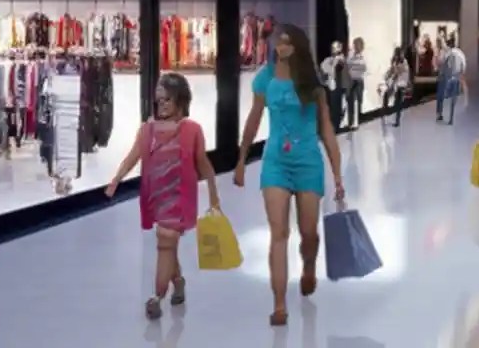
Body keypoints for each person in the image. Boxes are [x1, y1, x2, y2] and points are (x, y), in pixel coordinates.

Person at [234, 24, 345, 326]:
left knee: (308, 232)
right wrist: (242, 160)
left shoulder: (311, 82)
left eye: (285, 42)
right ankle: (279, 305)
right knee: (278, 233)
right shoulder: (265, 78)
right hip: (275, 164)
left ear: (297, 47)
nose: (279, 47)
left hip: (308, 161)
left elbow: (326, 130)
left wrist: (337, 173)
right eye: (277, 42)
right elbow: (254, 120)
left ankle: (309, 265)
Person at [106, 73, 218, 320]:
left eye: (168, 100)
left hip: (180, 200)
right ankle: (178, 281)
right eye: (159, 101)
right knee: (169, 246)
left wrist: (213, 194)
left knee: (165, 242)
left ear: (180, 100)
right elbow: (133, 156)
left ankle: (157, 296)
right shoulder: (147, 131)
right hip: (156, 198)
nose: (163, 105)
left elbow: (203, 162)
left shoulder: (192, 130)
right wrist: (116, 179)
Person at [436, 38, 467, 125]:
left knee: (444, 95)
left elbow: (443, 63)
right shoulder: (460, 53)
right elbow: (464, 66)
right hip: (457, 77)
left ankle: (440, 114)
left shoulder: (448, 53)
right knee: (454, 98)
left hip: (448, 77)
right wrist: (461, 75)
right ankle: (452, 117)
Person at [319, 41, 347, 132]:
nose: (334, 50)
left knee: (337, 106)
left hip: (338, 86)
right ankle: (331, 126)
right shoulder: (329, 60)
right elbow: (324, 68)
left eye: (336, 48)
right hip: (330, 85)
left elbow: (341, 67)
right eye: (333, 48)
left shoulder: (341, 60)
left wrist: (336, 62)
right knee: (331, 106)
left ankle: (336, 126)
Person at [345, 37, 367, 128]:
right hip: (351, 81)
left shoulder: (363, 56)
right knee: (350, 101)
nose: (355, 46)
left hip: (358, 81)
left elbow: (364, 68)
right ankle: (350, 122)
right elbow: (347, 66)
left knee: (357, 102)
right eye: (354, 44)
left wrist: (353, 66)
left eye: (357, 44)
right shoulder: (351, 56)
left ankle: (356, 123)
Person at [386, 46, 410, 127]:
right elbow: (393, 71)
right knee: (396, 101)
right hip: (397, 84)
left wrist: (392, 73)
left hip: (401, 84)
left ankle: (397, 120)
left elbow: (398, 71)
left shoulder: (404, 62)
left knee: (398, 102)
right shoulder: (396, 62)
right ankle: (396, 119)